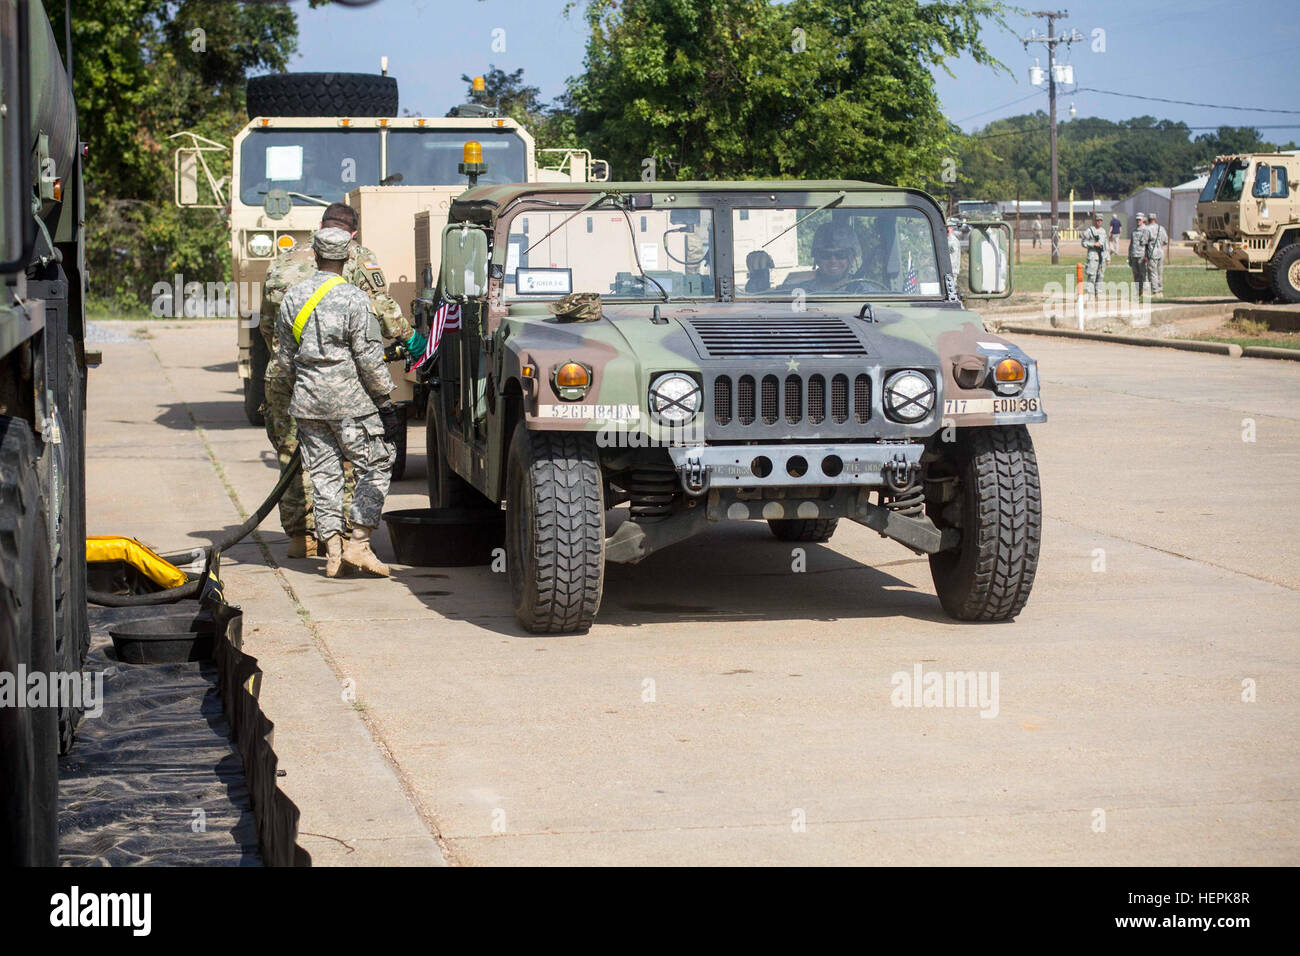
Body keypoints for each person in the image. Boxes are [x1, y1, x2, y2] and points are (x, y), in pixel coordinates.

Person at [259, 202, 427, 558]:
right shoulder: (356, 256)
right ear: (352, 234)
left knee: (293, 454)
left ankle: (300, 539)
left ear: (320, 228)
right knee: (348, 456)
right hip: (335, 380)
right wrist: (409, 338)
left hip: (285, 374)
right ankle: (349, 537)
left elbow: (267, 326)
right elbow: (381, 308)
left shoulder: (282, 261)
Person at [276, 228, 400, 578]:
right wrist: (386, 404)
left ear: (314, 255)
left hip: (308, 404)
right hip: (351, 405)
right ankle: (358, 544)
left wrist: (305, 386)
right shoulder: (356, 300)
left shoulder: (292, 298)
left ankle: (331, 552)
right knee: (376, 464)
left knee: (324, 476)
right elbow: (369, 360)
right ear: (348, 258)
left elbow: (284, 360)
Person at [1081, 213, 1109, 301]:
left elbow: (1105, 245)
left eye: (1100, 220)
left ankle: (1098, 294)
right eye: (1097, 220)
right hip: (1093, 257)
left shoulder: (1103, 231)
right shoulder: (1089, 231)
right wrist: (1093, 244)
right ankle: (1090, 295)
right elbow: (1083, 243)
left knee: (1100, 276)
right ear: (1094, 221)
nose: (1099, 222)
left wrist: (1108, 258)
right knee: (1092, 276)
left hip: (1102, 257)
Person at [1145, 211, 1169, 296]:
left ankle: (1155, 291)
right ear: (1155, 219)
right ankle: (1160, 290)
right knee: (1160, 272)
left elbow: (1144, 242)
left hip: (1152, 253)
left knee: (1153, 272)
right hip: (1160, 252)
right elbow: (1166, 241)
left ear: (1148, 220)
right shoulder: (1161, 228)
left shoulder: (1147, 229)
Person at [1128, 213, 1149, 297]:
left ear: (1143, 220)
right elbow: (1131, 244)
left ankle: (1145, 292)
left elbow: (1147, 245)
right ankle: (1138, 291)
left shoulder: (1145, 230)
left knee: (1143, 274)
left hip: (1142, 256)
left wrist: (1146, 256)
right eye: (1137, 220)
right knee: (1136, 275)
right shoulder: (1134, 231)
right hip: (1134, 255)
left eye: (1139, 220)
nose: (1138, 221)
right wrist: (1129, 255)